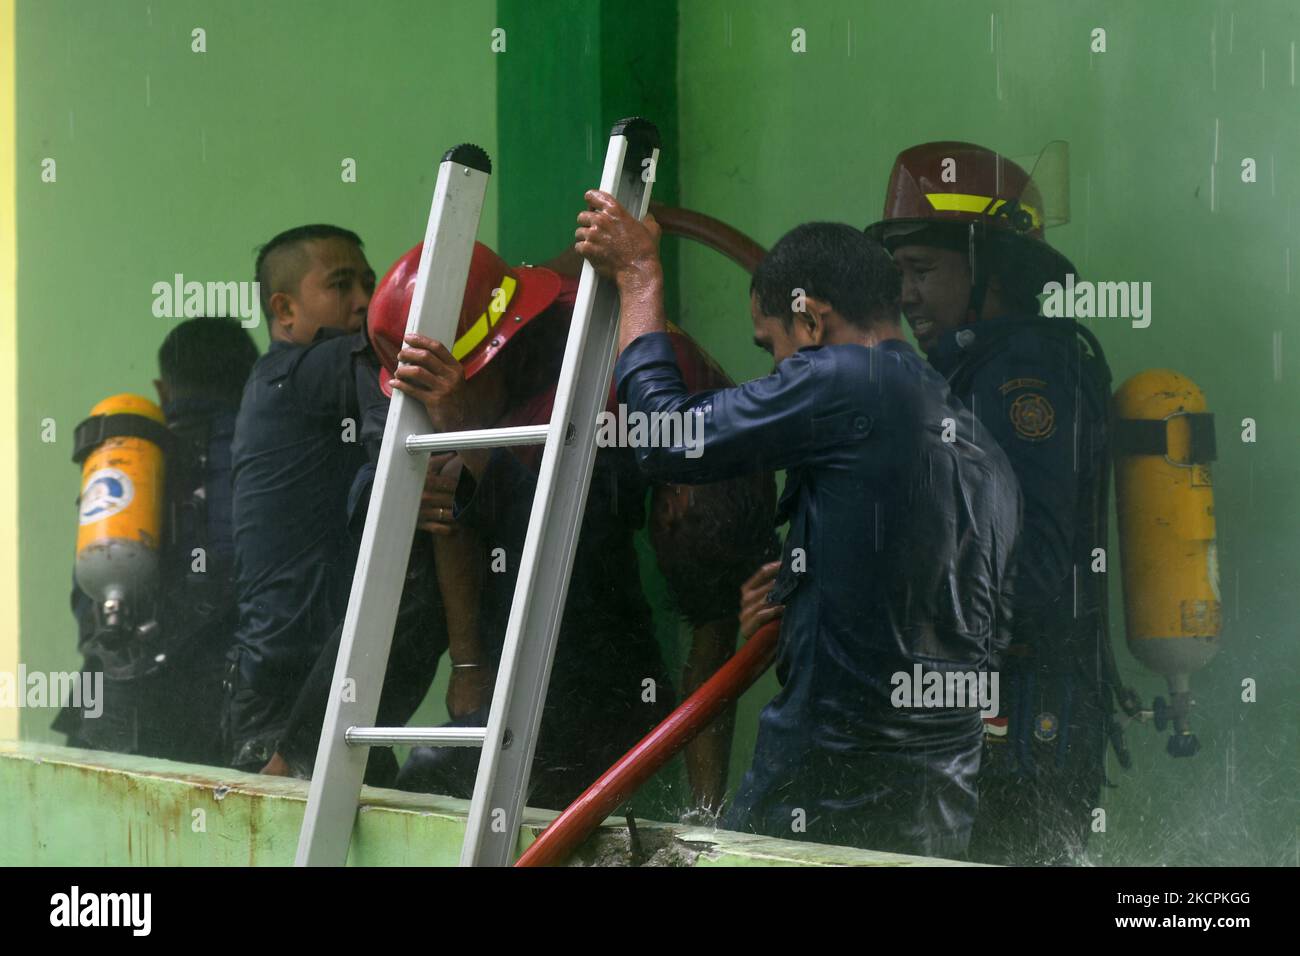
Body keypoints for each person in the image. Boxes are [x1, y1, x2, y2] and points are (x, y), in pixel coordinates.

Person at [575, 200, 1022, 859]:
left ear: (810, 320)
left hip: (826, 779)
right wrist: (801, 596)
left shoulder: (848, 382)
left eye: (772, 346)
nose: (774, 372)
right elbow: (953, 619)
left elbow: (663, 436)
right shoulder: (979, 448)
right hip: (940, 797)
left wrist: (641, 276)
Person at [268, 240, 776, 811]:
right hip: (569, 438)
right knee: (417, 511)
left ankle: (623, 734)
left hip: (648, 483)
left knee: (568, 546)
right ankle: (302, 753)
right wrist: (469, 667)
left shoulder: (592, 397)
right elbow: (440, 510)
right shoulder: (495, 333)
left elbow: (562, 547)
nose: (660, 525)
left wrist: (705, 816)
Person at [865, 141, 1115, 864]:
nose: (904, 295)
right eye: (896, 274)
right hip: (993, 723)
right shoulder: (969, 372)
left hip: (1025, 725)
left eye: (922, 271)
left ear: (992, 269)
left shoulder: (1017, 377)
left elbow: (1033, 572)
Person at [55, 317, 258, 764]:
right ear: (251, 382)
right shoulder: (258, 449)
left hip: (106, 699)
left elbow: (82, 595)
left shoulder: (125, 454)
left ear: (163, 391)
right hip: (210, 710)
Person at [223, 224, 376, 771]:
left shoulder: (296, 379)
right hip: (285, 701)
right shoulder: (298, 374)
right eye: (341, 285)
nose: (364, 300)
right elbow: (386, 343)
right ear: (284, 311)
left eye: (369, 282)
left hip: (316, 682)